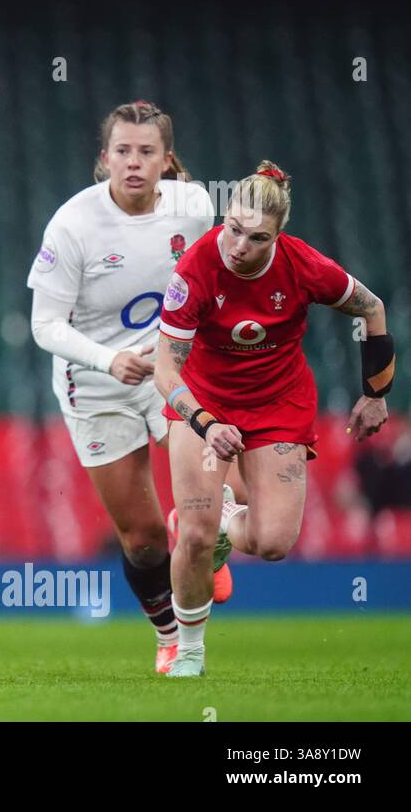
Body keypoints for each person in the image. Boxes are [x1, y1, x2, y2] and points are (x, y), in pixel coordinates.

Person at [155, 161, 392, 677]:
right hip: (204, 401)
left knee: (273, 544)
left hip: (277, 403)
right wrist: (204, 423)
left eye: (256, 237)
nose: (239, 246)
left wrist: (376, 393)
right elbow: (164, 370)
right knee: (192, 537)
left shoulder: (304, 266)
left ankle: (223, 519)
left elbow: (371, 307)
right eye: (233, 229)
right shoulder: (194, 269)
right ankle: (190, 655)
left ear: (278, 236)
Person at [26, 100, 237, 674]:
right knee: (142, 538)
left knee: (220, 490)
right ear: (104, 158)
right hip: (96, 384)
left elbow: (217, 277)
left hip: (169, 371)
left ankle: (205, 534)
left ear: (167, 161)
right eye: (123, 151)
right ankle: (168, 635)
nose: (134, 163)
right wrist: (106, 359)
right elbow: (44, 324)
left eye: (146, 152)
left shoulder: (193, 208)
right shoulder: (74, 226)